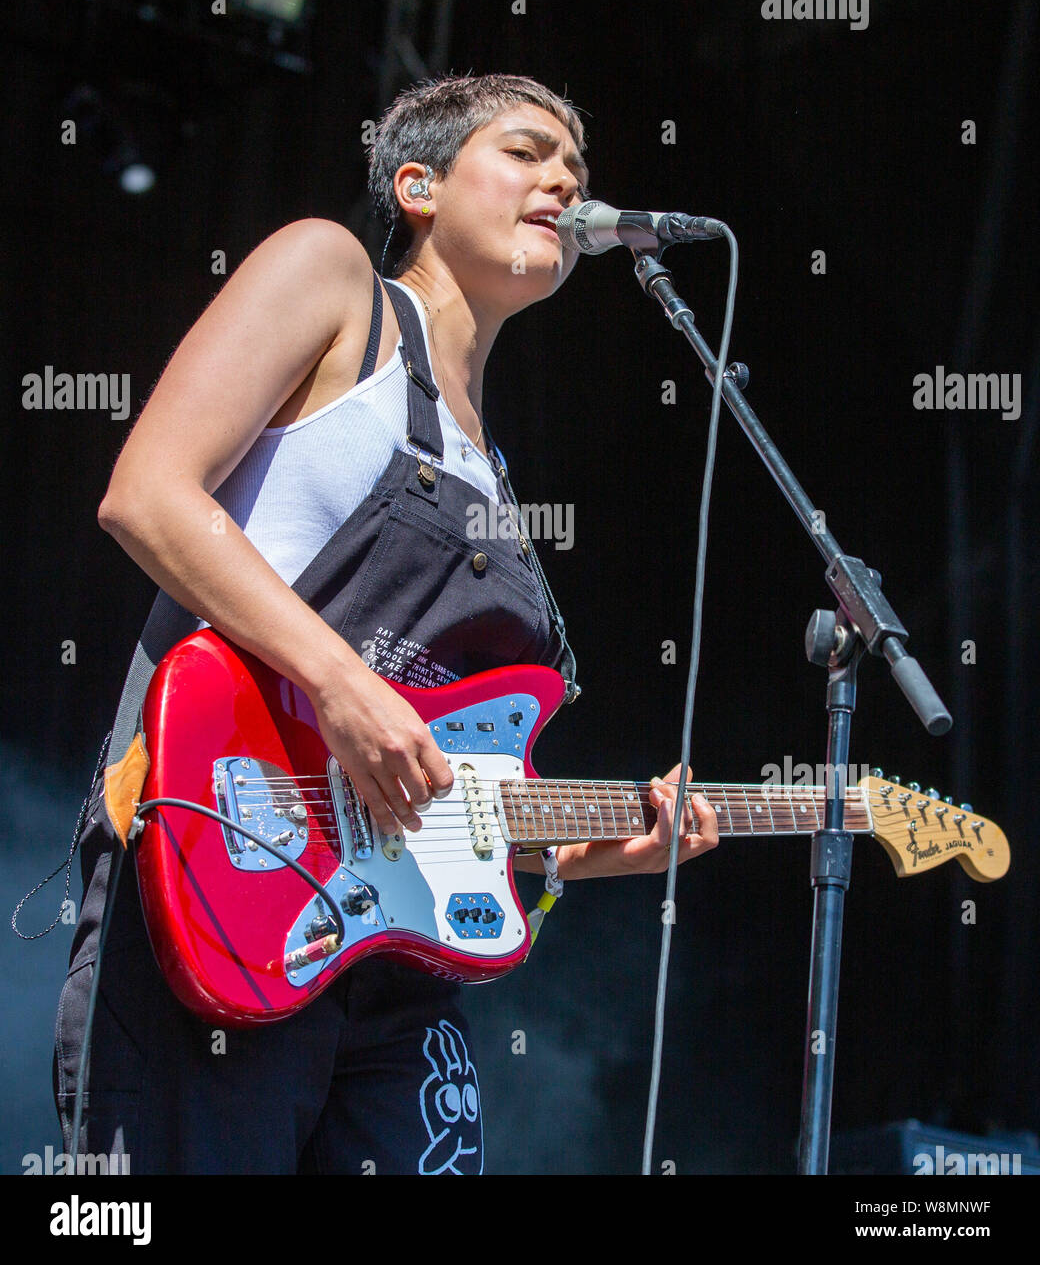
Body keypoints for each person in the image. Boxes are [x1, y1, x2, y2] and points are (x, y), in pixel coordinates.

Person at [54, 73, 719, 1175]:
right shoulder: (335, 284)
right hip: (222, 893)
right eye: (526, 152)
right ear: (416, 184)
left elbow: (441, 789)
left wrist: (604, 854)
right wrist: (340, 682)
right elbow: (148, 492)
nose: (564, 181)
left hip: (393, 971)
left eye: (579, 170)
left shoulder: (494, 471)